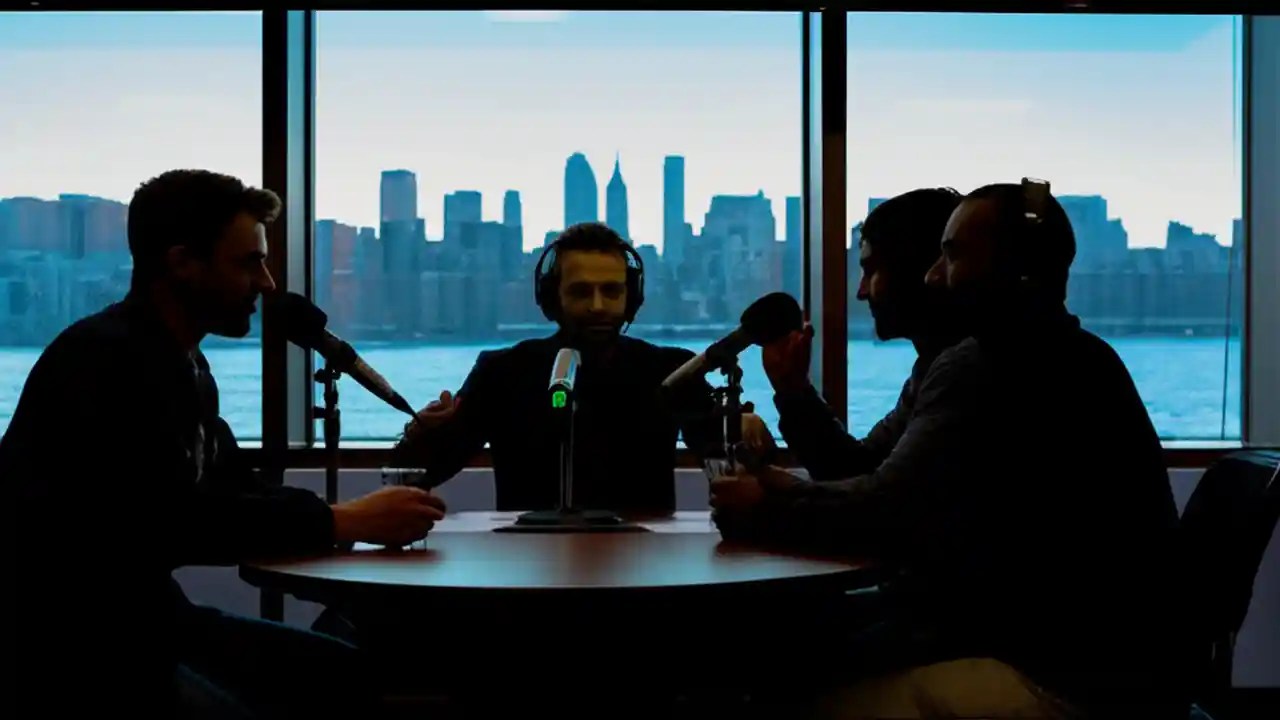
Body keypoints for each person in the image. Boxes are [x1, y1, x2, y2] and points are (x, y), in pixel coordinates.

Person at [710, 180, 1184, 719]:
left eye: (951, 256)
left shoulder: (990, 367)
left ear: (1016, 271)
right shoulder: (1027, 356)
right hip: (1075, 656)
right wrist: (794, 400)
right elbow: (867, 474)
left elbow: (883, 514)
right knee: (791, 650)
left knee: (777, 682)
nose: (934, 276)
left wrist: (765, 506)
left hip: (1068, 678)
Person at [0, 169, 446, 717]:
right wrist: (342, 521)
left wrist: (349, 518)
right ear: (182, 262)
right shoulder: (104, 360)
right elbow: (170, 520)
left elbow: (237, 488)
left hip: (147, 622)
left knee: (344, 672)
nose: (267, 283)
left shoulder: (187, 366)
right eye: (248, 262)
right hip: (72, 645)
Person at [395, 221, 763, 514]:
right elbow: (417, 474)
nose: (598, 306)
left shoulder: (671, 371)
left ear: (631, 298)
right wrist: (418, 433)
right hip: (527, 565)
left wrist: (743, 434)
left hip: (644, 564)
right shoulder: (502, 372)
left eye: (611, 291)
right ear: (552, 298)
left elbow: (732, 462)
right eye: (581, 292)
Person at [742, 188, 964, 480]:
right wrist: (794, 391)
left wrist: (775, 494)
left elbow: (881, 496)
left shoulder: (963, 375)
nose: (861, 291)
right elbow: (857, 468)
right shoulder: (930, 370)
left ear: (915, 269)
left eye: (871, 271)